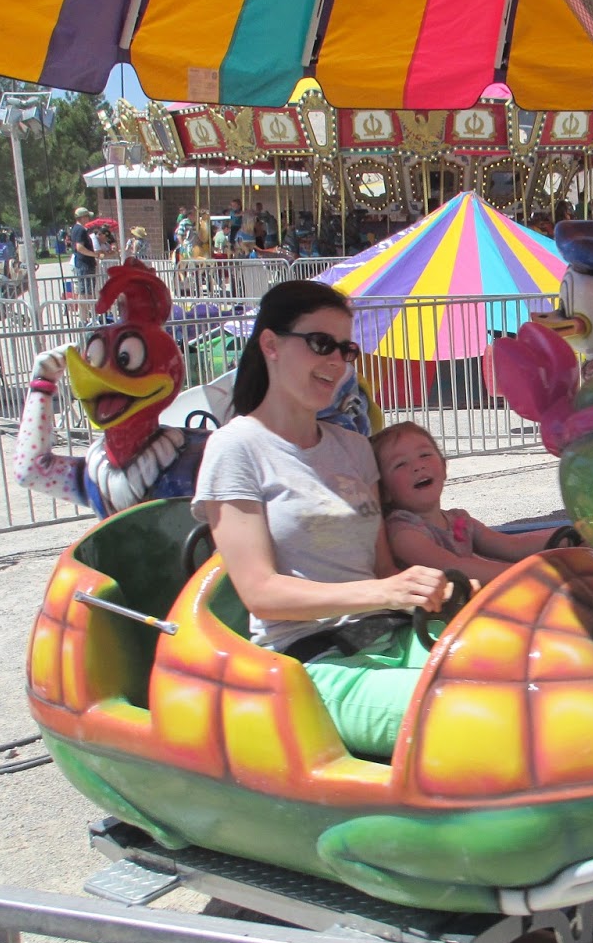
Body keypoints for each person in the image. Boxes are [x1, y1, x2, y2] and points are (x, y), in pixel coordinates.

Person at [191, 280, 452, 761]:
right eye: (320, 344)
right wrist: (385, 592)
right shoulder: (236, 449)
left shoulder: (353, 447)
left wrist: (429, 584)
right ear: (270, 344)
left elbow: (381, 571)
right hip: (312, 661)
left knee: (521, 674)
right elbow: (261, 594)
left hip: (391, 632)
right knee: (469, 714)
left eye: (346, 349)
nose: (337, 362)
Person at [372, 422, 553, 582]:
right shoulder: (403, 532)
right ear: (385, 491)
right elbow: (453, 568)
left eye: (425, 455)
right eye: (400, 464)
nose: (418, 466)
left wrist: (564, 541)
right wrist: (529, 575)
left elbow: (512, 546)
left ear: (444, 468)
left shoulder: (459, 520)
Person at [69, 207, 100, 295]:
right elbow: (80, 248)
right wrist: (95, 255)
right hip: (84, 264)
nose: (89, 219)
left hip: (83, 264)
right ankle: (84, 309)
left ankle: (85, 309)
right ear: (83, 217)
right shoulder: (80, 230)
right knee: (86, 292)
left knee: (86, 291)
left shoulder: (76, 228)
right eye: (87, 217)